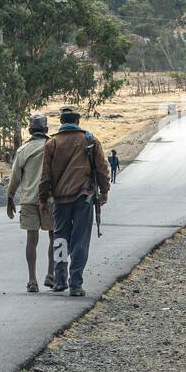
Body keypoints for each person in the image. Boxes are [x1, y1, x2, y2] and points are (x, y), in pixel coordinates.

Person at [38, 105, 110, 297]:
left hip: (60, 201)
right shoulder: (89, 139)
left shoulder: (52, 143)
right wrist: (104, 191)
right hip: (83, 198)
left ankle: (60, 280)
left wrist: (43, 199)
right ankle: (76, 284)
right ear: (78, 121)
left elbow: (45, 176)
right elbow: (102, 169)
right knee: (80, 241)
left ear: (61, 121)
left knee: (60, 239)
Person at [7, 113, 55, 292]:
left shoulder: (23, 150)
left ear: (29, 130)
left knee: (31, 239)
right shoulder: (53, 146)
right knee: (54, 236)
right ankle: (51, 274)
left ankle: (32, 280)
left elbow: (15, 178)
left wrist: (10, 198)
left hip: (28, 200)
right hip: (50, 200)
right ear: (46, 130)